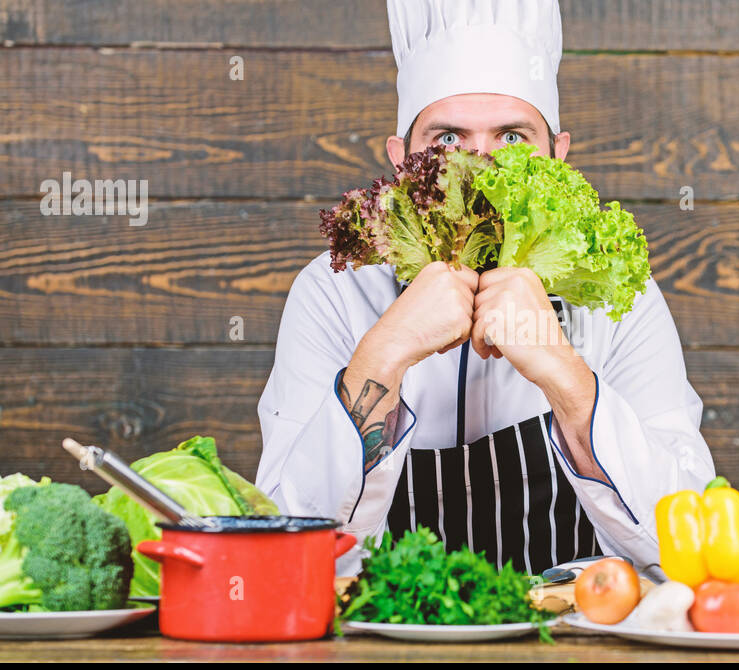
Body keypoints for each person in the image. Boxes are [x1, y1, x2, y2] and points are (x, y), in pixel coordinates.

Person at [256, 0, 715, 576]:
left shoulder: (618, 296)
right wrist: (383, 353)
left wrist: (567, 379)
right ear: (402, 162)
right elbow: (278, 554)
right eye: (448, 139)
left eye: (514, 139)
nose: (480, 166)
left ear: (558, 158)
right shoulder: (333, 292)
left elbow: (691, 553)